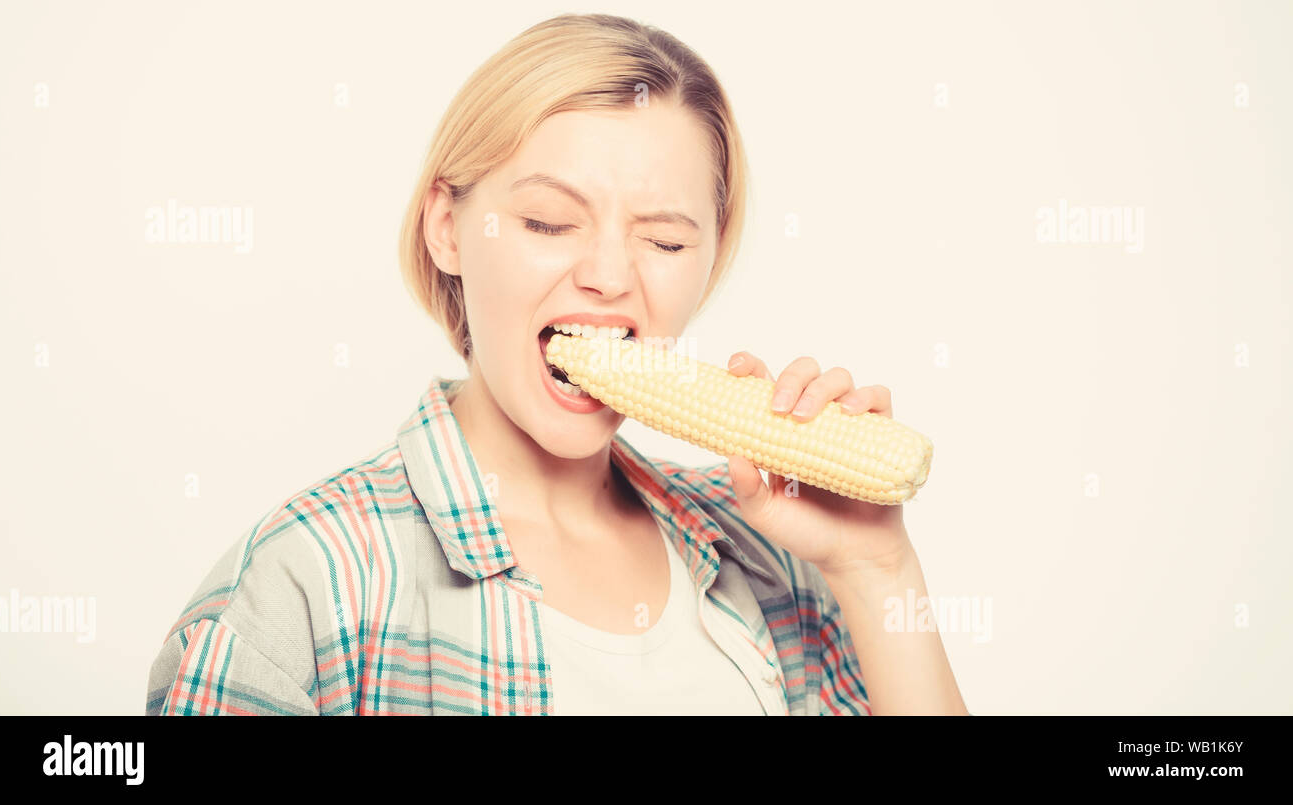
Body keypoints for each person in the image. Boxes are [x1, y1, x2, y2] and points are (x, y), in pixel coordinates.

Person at [146, 12, 968, 716]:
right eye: (546, 221)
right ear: (449, 229)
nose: (611, 275)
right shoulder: (307, 585)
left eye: (665, 240)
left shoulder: (773, 553)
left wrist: (877, 571)